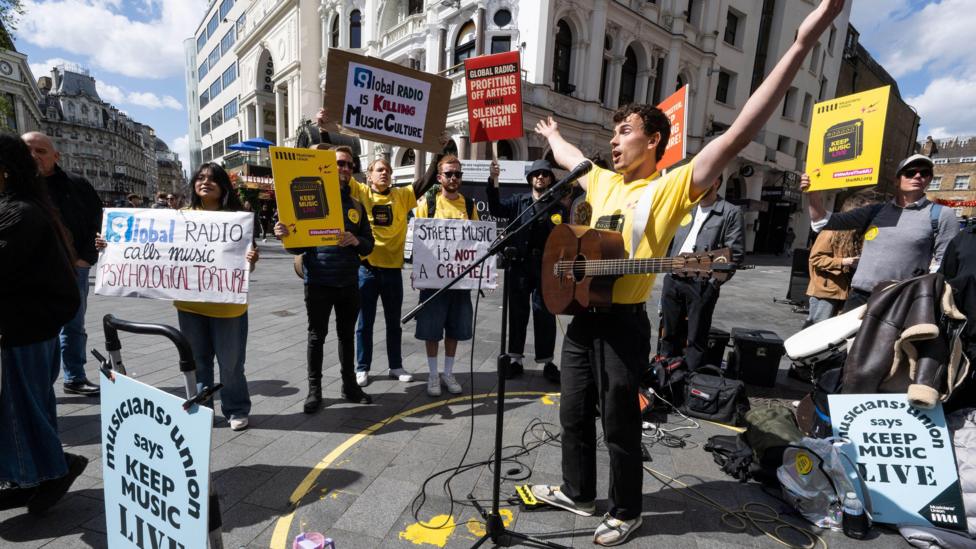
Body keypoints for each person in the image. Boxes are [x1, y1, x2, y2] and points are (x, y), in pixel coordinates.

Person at [529, 1, 846, 545]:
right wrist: (552, 133)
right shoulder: (601, 180)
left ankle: (626, 511)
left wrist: (798, 46)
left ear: (653, 139)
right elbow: (567, 153)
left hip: (624, 323)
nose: (613, 139)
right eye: (612, 132)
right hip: (583, 318)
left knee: (619, 424)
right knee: (573, 413)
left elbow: (740, 133)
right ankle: (579, 493)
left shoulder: (670, 185)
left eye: (623, 130)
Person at [0, 134, 89, 513]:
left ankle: (49, 471)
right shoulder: (26, 208)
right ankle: (31, 474)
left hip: (24, 328)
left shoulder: (20, 213)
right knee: (26, 406)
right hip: (30, 327)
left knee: (22, 409)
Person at [276, 145, 375, 413]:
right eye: (339, 163)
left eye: (348, 165)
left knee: (346, 337)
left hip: (348, 282)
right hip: (318, 281)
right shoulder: (309, 195)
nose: (344, 168)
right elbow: (296, 248)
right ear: (327, 166)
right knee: (316, 337)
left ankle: (349, 387)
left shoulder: (356, 205)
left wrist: (356, 240)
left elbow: (369, 245)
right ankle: (314, 391)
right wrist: (285, 234)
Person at [804, 153, 959, 312]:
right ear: (897, 180)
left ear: (929, 179)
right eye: (910, 172)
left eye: (924, 173)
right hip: (859, 296)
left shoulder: (941, 215)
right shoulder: (876, 211)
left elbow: (945, 265)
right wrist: (812, 192)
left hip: (900, 300)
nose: (918, 176)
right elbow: (822, 221)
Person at [173, 163, 259, 431]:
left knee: (231, 363)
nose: (205, 182)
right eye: (200, 178)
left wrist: (251, 259)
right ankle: (203, 409)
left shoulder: (237, 220)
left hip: (227, 307)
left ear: (223, 186)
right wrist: (111, 246)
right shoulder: (180, 217)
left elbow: (247, 264)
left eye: (212, 179)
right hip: (190, 305)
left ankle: (236, 409)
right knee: (198, 361)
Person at [22, 131, 103, 397]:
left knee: (74, 325)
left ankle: (75, 377)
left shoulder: (77, 185)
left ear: (56, 156)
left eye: (41, 151)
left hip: (73, 268)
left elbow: (98, 221)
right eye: (27, 150)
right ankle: (39, 384)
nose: (33, 156)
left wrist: (85, 259)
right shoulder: (13, 187)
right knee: (36, 329)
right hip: (29, 274)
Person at [350, 156, 438, 387]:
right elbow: (336, 170)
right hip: (366, 270)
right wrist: (326, 133)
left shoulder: (401, 196)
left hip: (392, 272)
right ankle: (362, 367)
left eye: (388, 170)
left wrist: (437, 152)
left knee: (393, 323)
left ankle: (395, 365)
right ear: (369, 175)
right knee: (364, 323)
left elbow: (426, 181)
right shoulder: (361, 192)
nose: (384, 173)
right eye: (379, 170)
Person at [485, 158, 565, 383]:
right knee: (518, 314)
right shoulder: (519, 202)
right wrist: (493, 180)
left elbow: (563, 238)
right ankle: (515, 360)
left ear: (550, 179)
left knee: (545, 315)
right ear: (530, 178)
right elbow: (496, 209)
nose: (540, 177)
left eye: (545, 174)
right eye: (536, 174)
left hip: (545, 269)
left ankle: (547, 362)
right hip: (519, 267)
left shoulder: (557, 206)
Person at [659, 176, 745, 370]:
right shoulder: (686, 208)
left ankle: (689, 379)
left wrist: (713, 284)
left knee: (695, 338)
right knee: (668, 333)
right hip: (673, 279)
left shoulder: (730, 212)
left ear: (715, 182)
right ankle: (665, 377)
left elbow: (735, 254)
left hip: (702, 283)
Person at [414, 154, 478, 397]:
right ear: (439, 177)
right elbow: (417, 242)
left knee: (455, 328)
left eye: (457, 174)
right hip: (433, 279)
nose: (453, 178)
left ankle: (448, 372)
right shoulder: (428, 205)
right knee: (431, 329)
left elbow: (476, 243)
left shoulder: (470, 206)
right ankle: (432, 374)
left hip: (460, 280)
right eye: (449, 174)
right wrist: (416, 273)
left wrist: (484, 275)